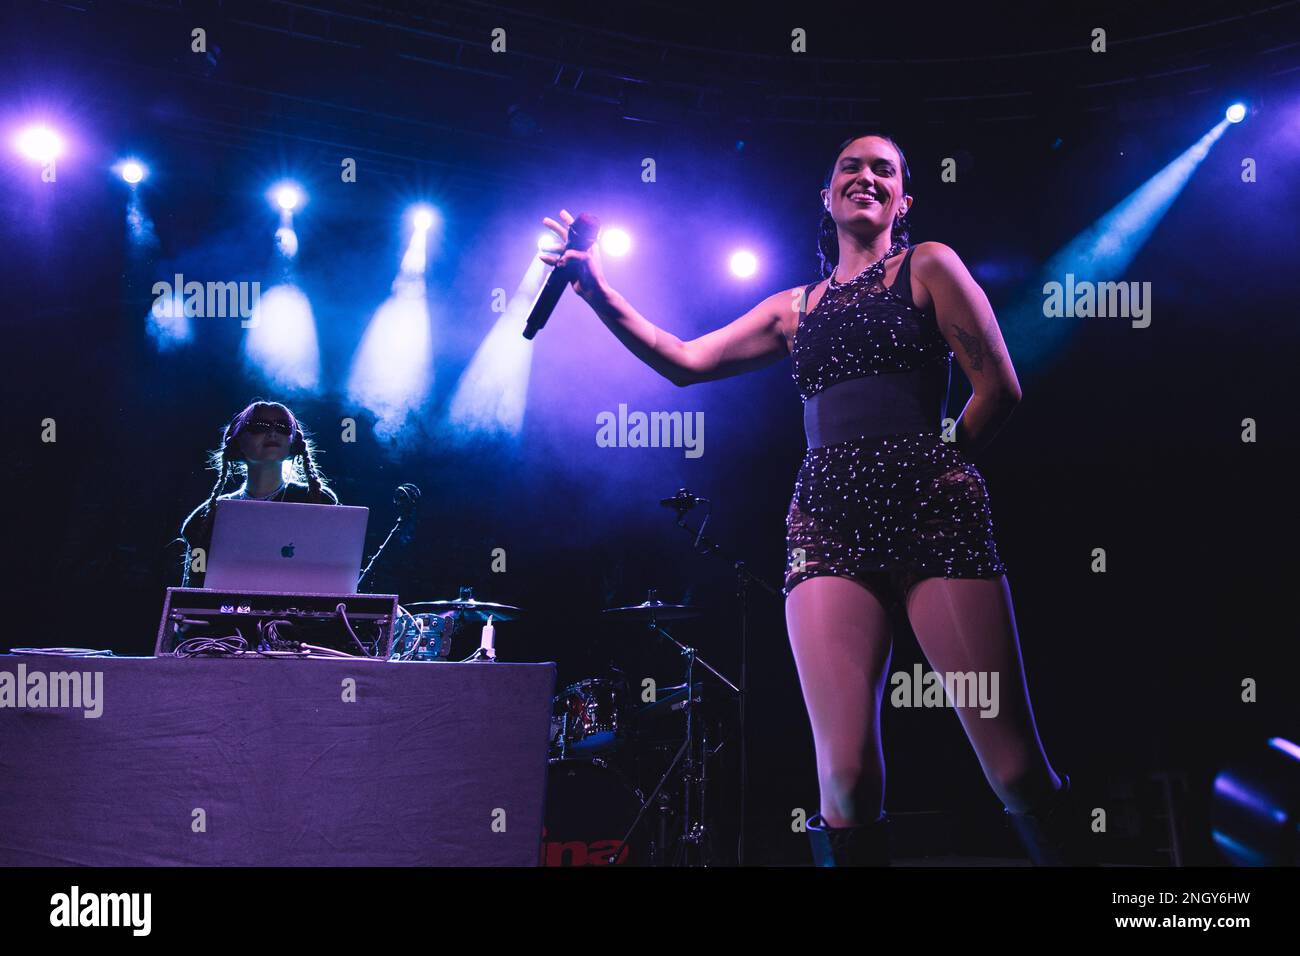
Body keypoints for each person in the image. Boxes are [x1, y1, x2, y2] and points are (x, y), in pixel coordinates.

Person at [538, 133, 1092, 866]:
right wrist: (595, 289)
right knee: (847, 778)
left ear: (904, 199)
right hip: (827, 524)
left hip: (936, 513)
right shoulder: (793, 309)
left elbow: (1000, 388)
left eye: (884, 170)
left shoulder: (928, 266)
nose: (867, 177)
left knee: (1016, 767)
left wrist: (939, 467)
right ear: (827, 197)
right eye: (851, 169)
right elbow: (684, 362)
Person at [178, 400, 337, 588]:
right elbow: (195, 588)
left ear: (293, 443)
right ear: (237, 442)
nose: (273, 432)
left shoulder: (317, 501)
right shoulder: (205, 517)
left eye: (283, 427)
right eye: (259, 426)